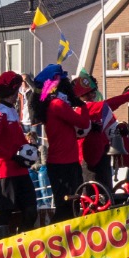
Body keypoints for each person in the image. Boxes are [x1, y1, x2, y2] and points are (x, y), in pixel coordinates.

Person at [0, 71, 37, 234]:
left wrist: (29, 151)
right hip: (6, 172)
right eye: (16, 92)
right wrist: (13, 155)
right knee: (5, 216)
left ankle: (22, 241)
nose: (17, 95)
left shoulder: (11, 111)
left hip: (19, 170)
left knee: (31, 211)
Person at [39, 69, 92, 218]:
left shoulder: (55, 104)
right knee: (65, 208)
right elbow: (83, 122)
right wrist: (82, 105)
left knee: (71, 206)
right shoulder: (57, 105)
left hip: (67, 162)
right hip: (63, 164)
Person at [77, 73, 129, 190]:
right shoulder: (96, 107)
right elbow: (110, 105)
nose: (93, 95)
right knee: (101, 191)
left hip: (83, 158)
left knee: (91, 192)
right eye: (92, 92)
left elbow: (110, 104)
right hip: (96, 156)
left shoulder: (77, 109)